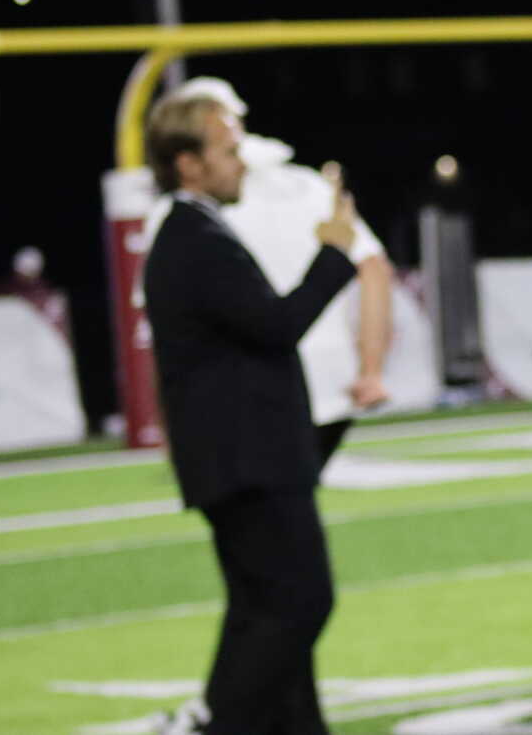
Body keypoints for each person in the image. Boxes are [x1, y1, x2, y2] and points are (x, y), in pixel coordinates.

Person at [142, 93, 358, 735]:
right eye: (229, 150)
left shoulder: (194, 231)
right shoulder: (193, 236)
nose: (241, 164)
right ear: (188, 163)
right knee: (298, 605)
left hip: (239, 457)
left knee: (262, 610)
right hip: (250, 460)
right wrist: (333, 253)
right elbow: (276, 325)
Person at [161, 77, 393, 466]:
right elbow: (373, 267)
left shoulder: (184, 216)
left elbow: (166, 327)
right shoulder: (308, 185)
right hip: (329, 384)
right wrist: (371, 370)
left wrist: (170, 421)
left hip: (247, 399)